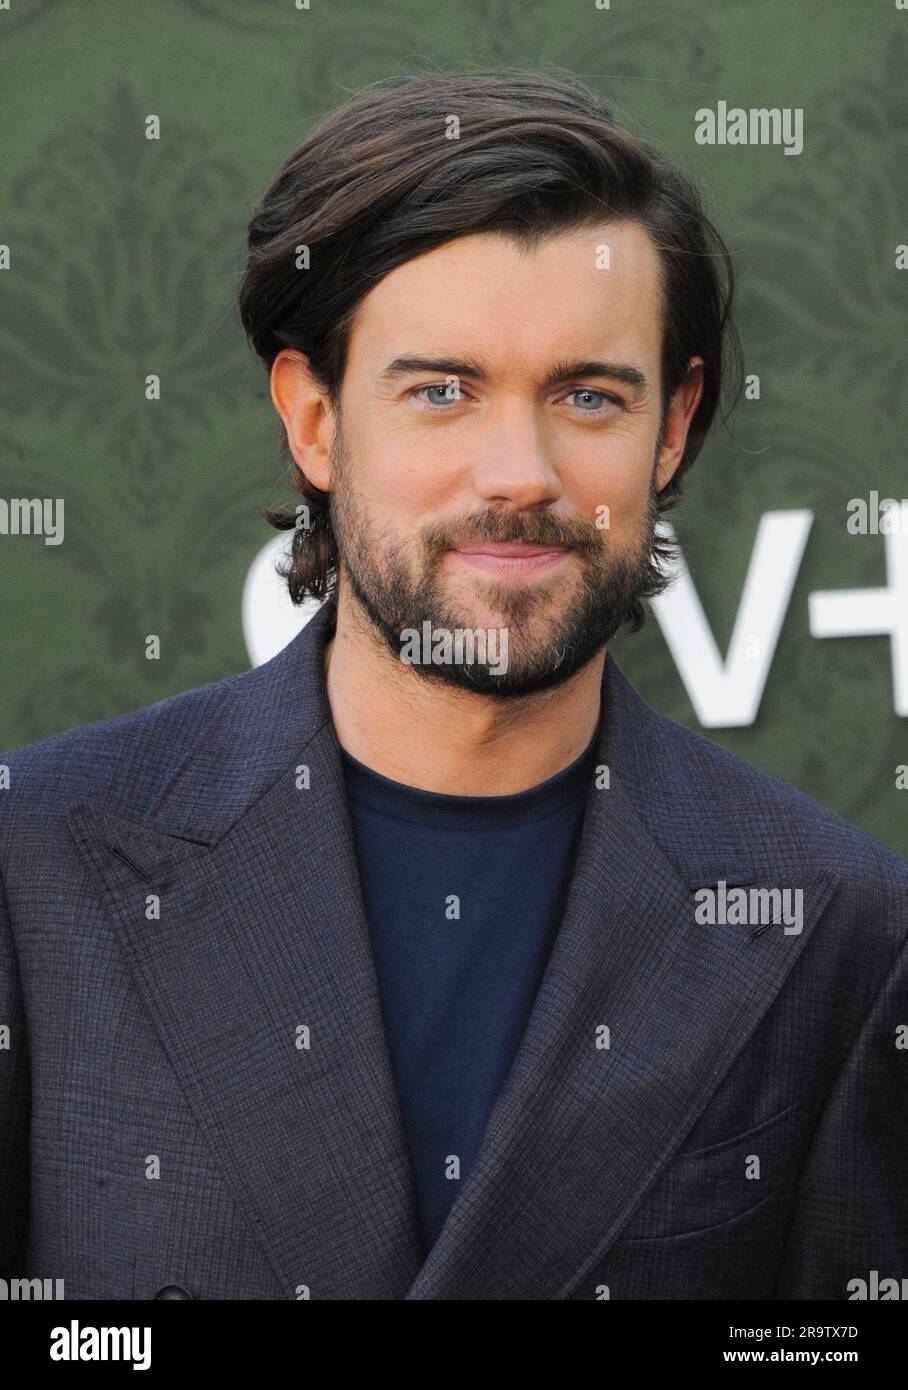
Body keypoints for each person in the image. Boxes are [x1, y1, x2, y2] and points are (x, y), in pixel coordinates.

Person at [1, 70, 905, 1301]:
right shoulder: (35, 863)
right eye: (441, 391)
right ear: (314, 421)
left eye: (588, 395)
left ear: (673, 426)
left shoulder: (835, 926)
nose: (517, 473)